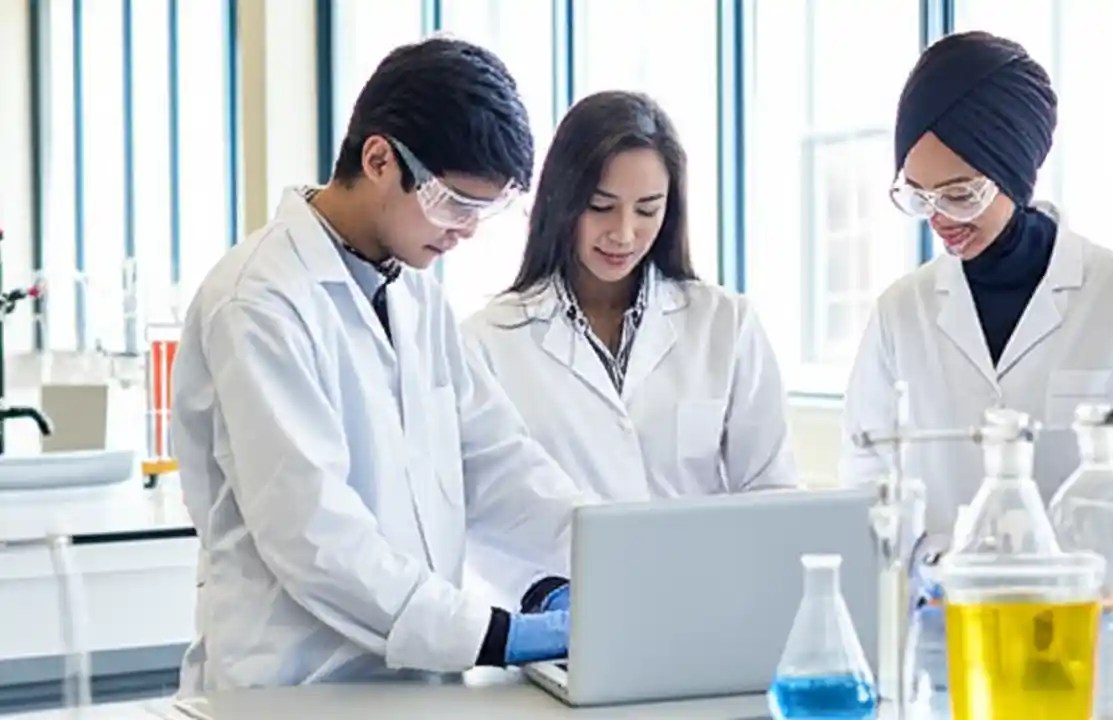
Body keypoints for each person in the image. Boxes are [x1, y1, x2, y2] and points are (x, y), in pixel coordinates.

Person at [171, 37, 584, 693]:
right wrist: (493, 635)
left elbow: (496, 459)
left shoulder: (417, 295)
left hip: (414, 683)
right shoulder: (258, 302)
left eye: (485, 211)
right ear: (379, 159)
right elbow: (314, 534)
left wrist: (598, 558)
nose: (465, 231)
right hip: (293, 688)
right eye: (454, 203)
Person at [838, 30, 1113, 686]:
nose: (939, 219)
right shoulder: (902, 310)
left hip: (1089, 633)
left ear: (1014, 171)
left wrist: (1071, 580)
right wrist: (932, 567)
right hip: (945, 632)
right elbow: (866, 467)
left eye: (960, 194)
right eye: (919, 196)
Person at [462, 91, 799, 603]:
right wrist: (547, 600)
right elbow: (488, 514)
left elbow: (772, 494)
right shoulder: (489, 341)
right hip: (564, 618)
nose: (623, 233)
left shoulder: (725, 324)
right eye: (601, 207)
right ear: (562, 200)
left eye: (647, 209)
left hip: (703, 604)